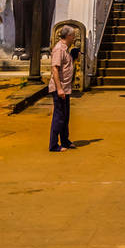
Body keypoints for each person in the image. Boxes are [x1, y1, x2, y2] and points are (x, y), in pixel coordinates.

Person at [48, 24, 75, 152]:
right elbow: (55, 69)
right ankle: (53, 145)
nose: (74, 38)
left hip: (66, 87)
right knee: (59, 116)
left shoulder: (66, 49)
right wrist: (59, 89)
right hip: (60, 87)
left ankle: (65, 140)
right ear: (69, 36)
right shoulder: (59, 49)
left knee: (65, 116)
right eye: (73, 35)